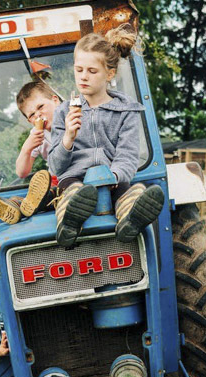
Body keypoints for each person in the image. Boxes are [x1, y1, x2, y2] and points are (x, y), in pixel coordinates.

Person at [48, 24, 164, 248]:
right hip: (74, 179)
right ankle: (69, 222)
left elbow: (128, 156)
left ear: (109, 74)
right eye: (79, 69)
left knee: (129, 192)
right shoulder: (63, 112)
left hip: (112, 182)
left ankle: (129, 220)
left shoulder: (126, 111)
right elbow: (56, 167)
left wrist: (113, 176)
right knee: (72, 192)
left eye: (92, 71)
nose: (83, 77)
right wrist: (68, 139)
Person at [0, 80, 61, 224]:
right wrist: (26, 148)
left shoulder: (73, 118)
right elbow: (22, 172)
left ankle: (21, 204)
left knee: (54, 194)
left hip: (75, 178)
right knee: (47, 192)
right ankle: (15, 206)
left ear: (55, 100)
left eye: (41, 107)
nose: (38, 115)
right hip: (55, 180)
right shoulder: (37, 135)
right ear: (29, 121)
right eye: (32, 115)